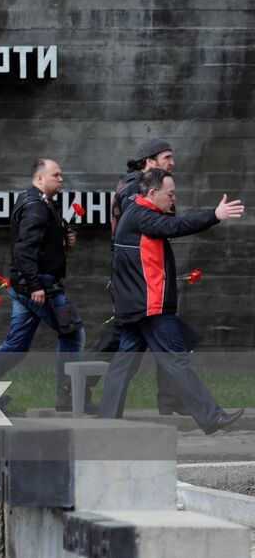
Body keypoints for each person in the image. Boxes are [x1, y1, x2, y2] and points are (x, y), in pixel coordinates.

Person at [98, 170, 245, 433]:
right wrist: (215, 215)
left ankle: (105, 423)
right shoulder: (143, 216)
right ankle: (212, 417)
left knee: (123, 364)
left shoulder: (136, 210)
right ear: (152, 193)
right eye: (170, 193)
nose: (174, 198)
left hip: (135, 306)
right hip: (150, 308)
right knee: (176, 361)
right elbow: (176, 226)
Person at [0, 158, 88, 411]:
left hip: (27, 285)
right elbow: (24, 249)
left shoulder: (37, 202)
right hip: (40, 286)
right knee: (73, 333)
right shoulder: (36, 207)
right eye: (56, 175)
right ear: (39, 178)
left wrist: (63, 240)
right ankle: (68, 397)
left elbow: (39, 244)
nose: (61, 179)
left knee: (17, 345)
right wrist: (35, 285)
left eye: (61, 174)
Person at [97, 137, 185, 415]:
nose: (172, 163)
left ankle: (169, 400)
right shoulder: (135, 189)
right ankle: (76, 386)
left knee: (142, 341)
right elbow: (153, 225)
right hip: (138, 280)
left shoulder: (141, 185)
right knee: (134, 341)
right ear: (149, 161)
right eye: (166, 157)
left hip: (144, 276)